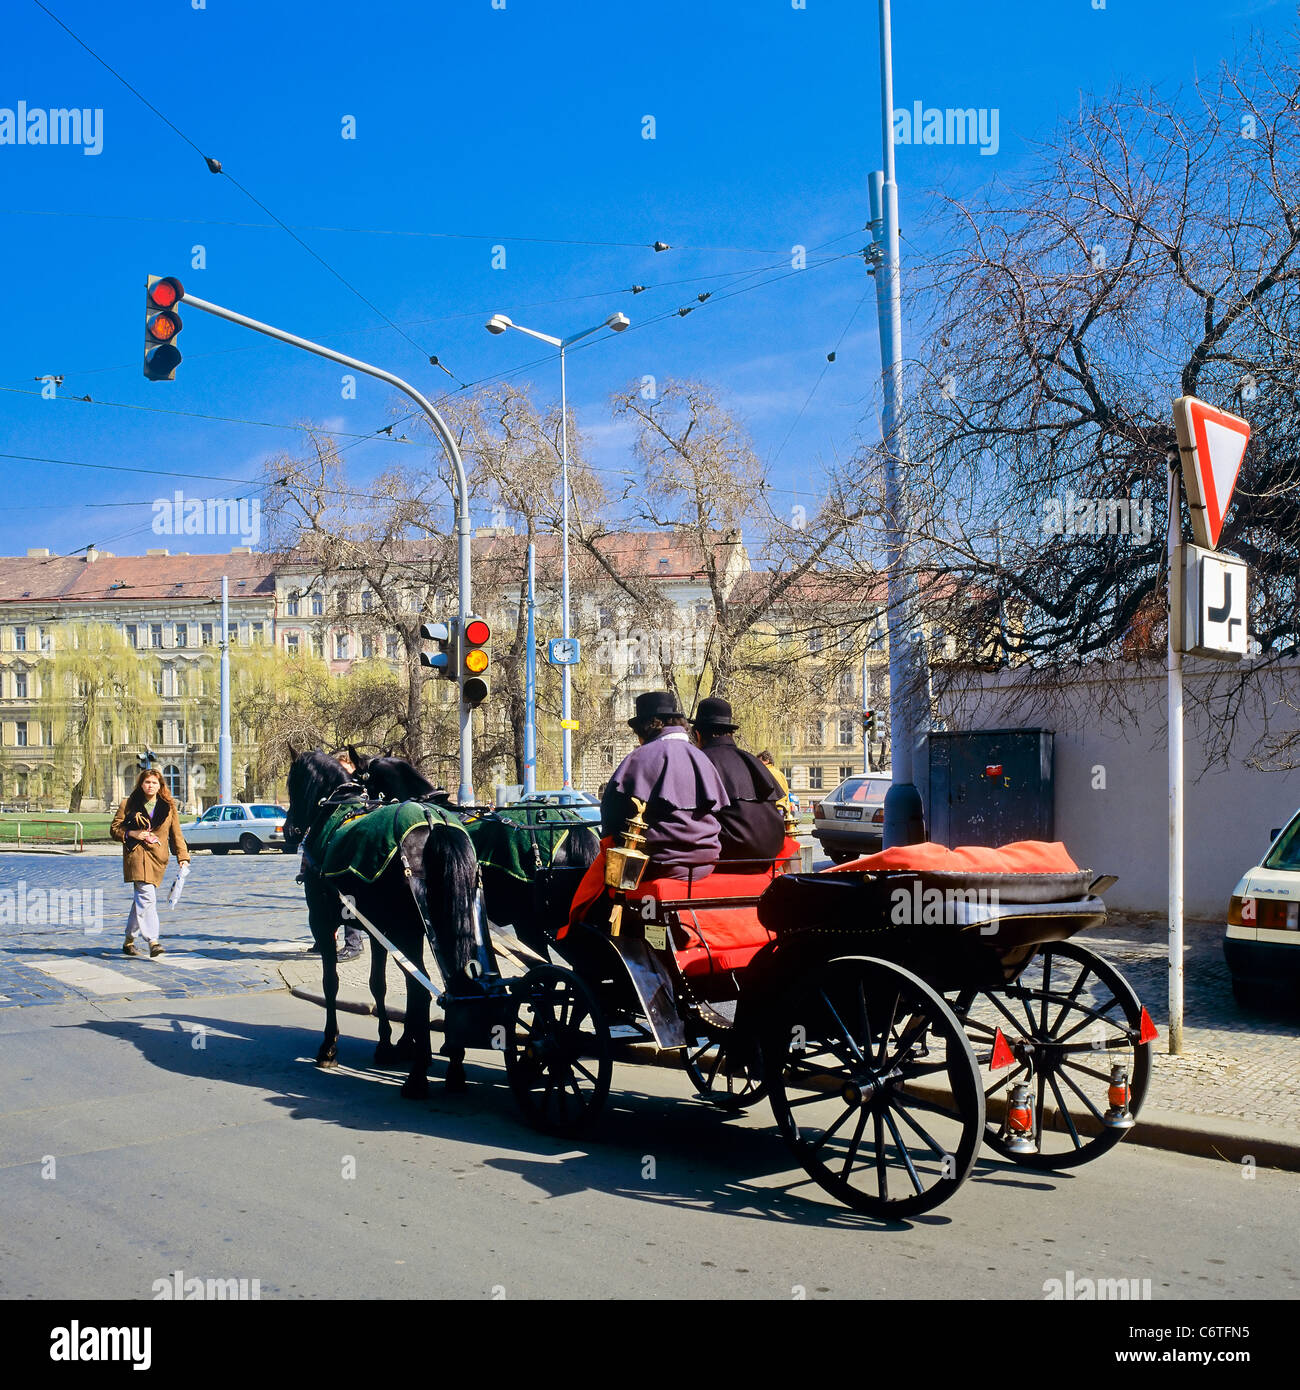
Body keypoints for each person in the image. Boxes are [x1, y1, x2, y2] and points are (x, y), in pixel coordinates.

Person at [600, 691, 730, 881]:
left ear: (644, 730)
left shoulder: (638, 758)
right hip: (705, 864)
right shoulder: (701, 757)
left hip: (657, 865)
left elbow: (610, 818)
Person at [691, 699, 786, 869]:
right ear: (731, 733)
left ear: (698, 735)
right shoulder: (752, 760)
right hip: (770, 852)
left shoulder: (700, 761)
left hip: (731, 856)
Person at [110, 768, 190, 959]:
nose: (150, 785)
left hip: (157, 858)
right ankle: (153, 941)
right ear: (141, 784)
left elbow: (176, 835)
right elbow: (114, 829)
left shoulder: (168, 807)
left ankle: (129, 940)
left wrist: (183, 857)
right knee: (147, 897)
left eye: (154, 782)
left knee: (141, 901)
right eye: (147, 782)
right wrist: (131, 833)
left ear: (160, 785)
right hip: (136, 856)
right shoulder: (128, 804)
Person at [757, 750, 791, 815]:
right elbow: (786, 792)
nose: (757, 764)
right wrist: (788, 812)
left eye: (759, 761)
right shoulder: (780, 774)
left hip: (768, 808)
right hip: (781, 807)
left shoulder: (763, 773)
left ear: (767, 761)